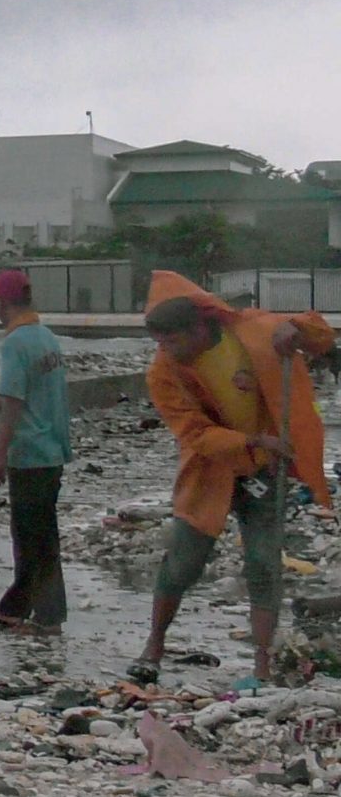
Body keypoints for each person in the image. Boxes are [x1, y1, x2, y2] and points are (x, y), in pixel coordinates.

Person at [128, 270, 333, 686]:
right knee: (183, 562)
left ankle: (261, 664)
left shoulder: (253, 333)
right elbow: (195, 434)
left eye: (173, 340)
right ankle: (154, 645)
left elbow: (322, 334)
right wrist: (253, 440)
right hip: (210, 472)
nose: (166, 351)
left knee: (263, 563)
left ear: (201, 327)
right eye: (160, 343)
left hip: (266, 473)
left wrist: (294, 328)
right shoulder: (164, 373)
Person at [0, 269, 69, 631]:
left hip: (30, 453)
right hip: (53, 450)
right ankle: (50, 614)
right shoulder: (47, 337)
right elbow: (31, 394)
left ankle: (16, 608)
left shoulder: (15, 342)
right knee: (45, 535)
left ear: (3, 303)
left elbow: (16, 402)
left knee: (29, 537)